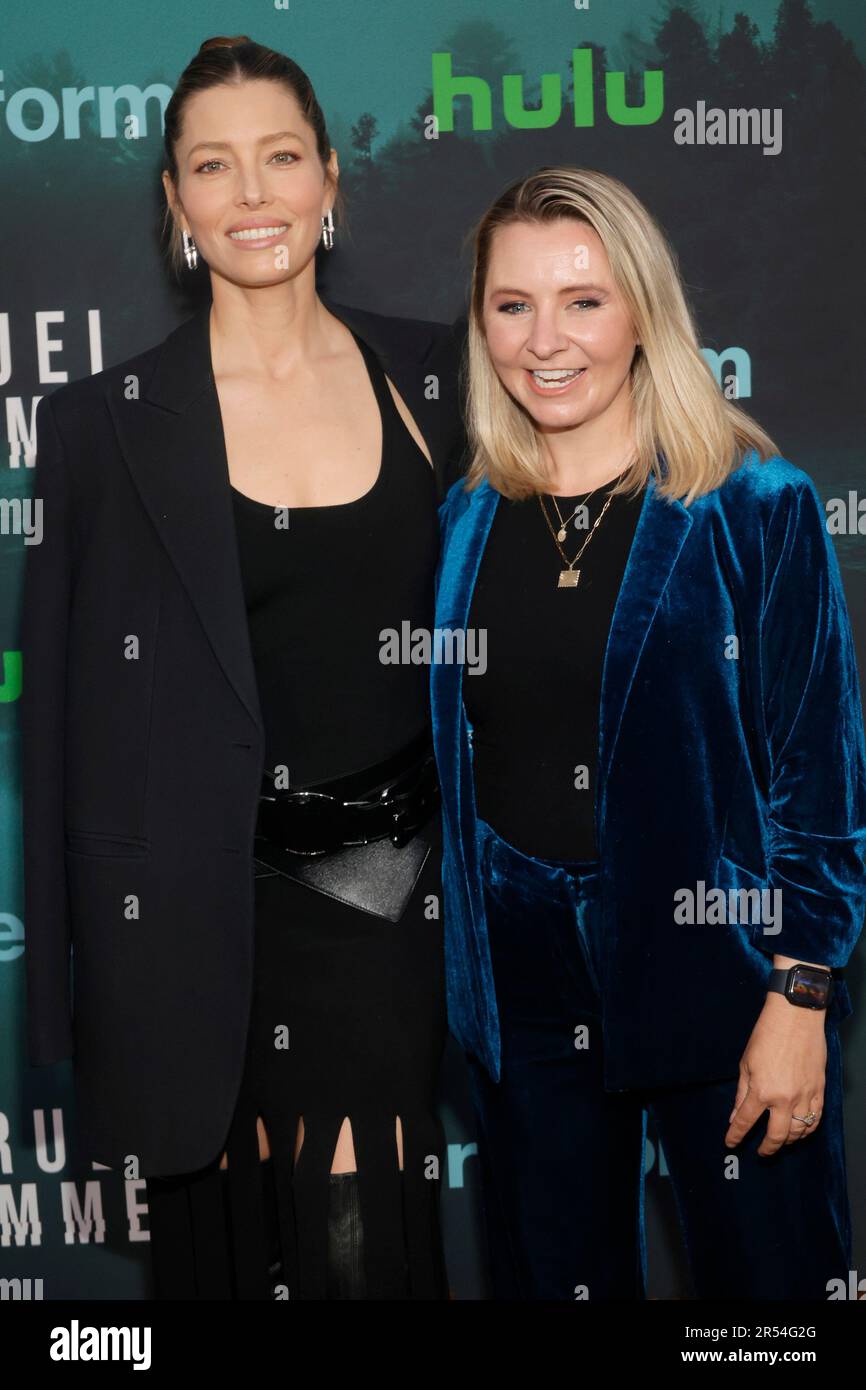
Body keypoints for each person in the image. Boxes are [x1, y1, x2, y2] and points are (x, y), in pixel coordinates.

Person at [21, 35, 467, 1299]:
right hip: (187, 926)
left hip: (384, 908)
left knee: (356, 1241)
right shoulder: (101, 425)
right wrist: (63, 997)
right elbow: (54, 721)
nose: (252, 194)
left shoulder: (437, 376)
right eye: (213, 167)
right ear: (175, 202)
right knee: (223, 1260)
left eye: (279, 158)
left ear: (332, 179)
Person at [430, 165, 866, 1300]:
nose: (544, 339)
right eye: (511, 304)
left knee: (765, 1295)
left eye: (582, 299)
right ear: (481, 325)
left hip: (715, 974)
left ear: (641, 312)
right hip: (523, 994)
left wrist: (799, 995)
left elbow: (817, 781)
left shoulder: (749, 502)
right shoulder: (467, 516)